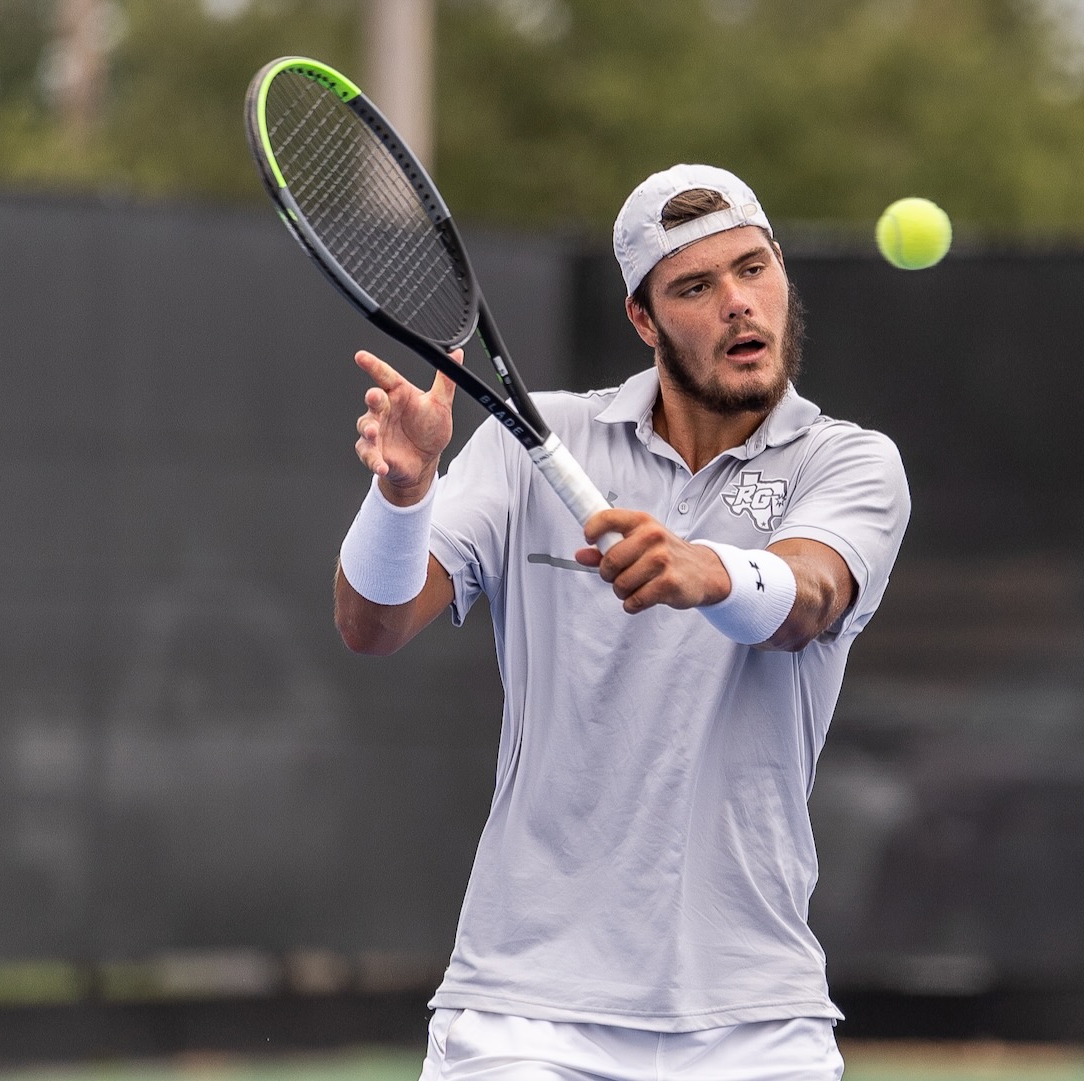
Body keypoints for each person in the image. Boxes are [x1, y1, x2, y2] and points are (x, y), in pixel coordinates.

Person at [332, 164, 910, 1080]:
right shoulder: (530, 444)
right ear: (644, 319)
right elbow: (374, 623)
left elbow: (809, 598)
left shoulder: (849, 461)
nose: (738, 304)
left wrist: (703, 569)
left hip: (754, 1019)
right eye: (696, 285)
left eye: (754, 269)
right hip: (524, 1017)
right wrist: (401, 495)